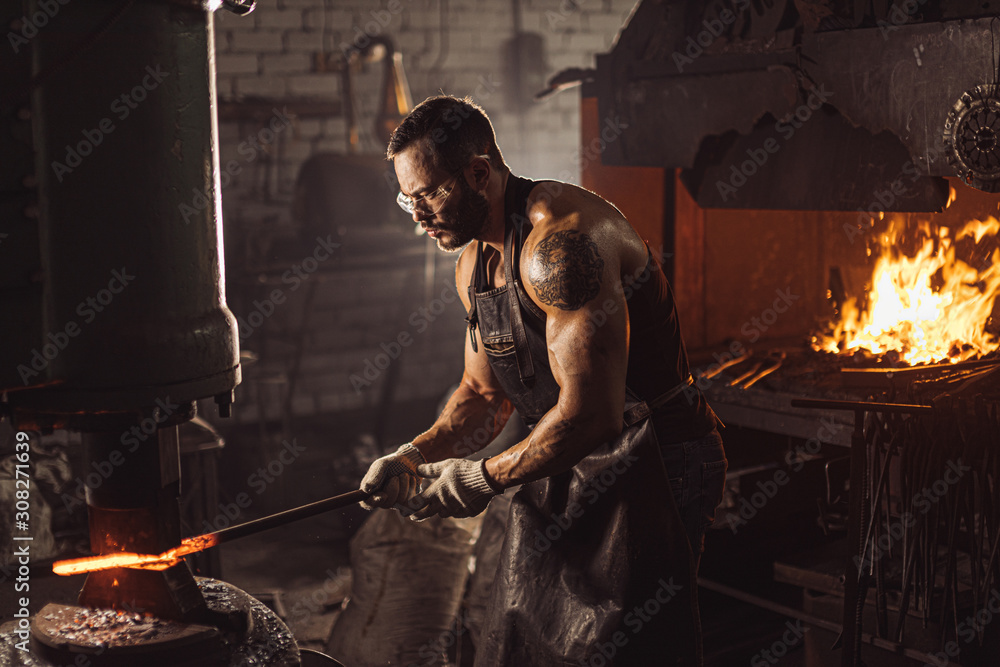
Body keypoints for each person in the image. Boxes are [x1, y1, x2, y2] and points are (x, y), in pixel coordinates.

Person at [360, 95, 726, 666]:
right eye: (409, 198)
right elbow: (482, 395)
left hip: (656, 460)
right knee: (527, 641)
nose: (417, 215)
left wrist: (479, 478)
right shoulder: (474, 264)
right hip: (570, 461)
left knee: (634, 651)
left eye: (429, 194)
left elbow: (593, 415)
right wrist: (414, 454)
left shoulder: (561, 248)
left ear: (478, 174)